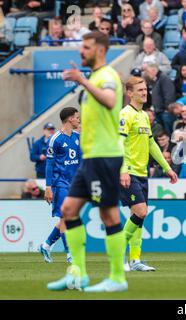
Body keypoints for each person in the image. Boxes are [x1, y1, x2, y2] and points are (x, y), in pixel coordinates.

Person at [48, 31, 127, 292]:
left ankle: (117, 278)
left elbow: (109, 100)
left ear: (101, 50)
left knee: (108, 213)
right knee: (69, 210)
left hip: (104, 156)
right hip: (90, 158)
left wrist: (81, 80)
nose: (81, 51)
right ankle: (78, 274)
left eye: (86, 47)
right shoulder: (94, 77)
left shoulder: (107, 76)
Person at [119, 76, 178, 272]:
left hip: (142, 173)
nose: (144, 92)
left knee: (139, 218)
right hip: (128, 172)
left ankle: (135, 260)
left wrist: (167, 168)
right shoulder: (125, 114)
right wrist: (123, 170)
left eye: (145, 89)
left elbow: (151, 144)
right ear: (130, 93)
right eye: (140, 90)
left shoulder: (144, 115)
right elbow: (119, 144)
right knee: (141, 211)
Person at [38, 107, 81, 265]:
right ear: (70, 118)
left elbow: (81, 162)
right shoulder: (55, 139)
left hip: (74, 184)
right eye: (77, 117)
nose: (78, 119)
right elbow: (49, 165)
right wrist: (48, 187)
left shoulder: (77, 137)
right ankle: (70, 253)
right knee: (67, 217)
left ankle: (46, 245)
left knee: (67, 218)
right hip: (59, 183)